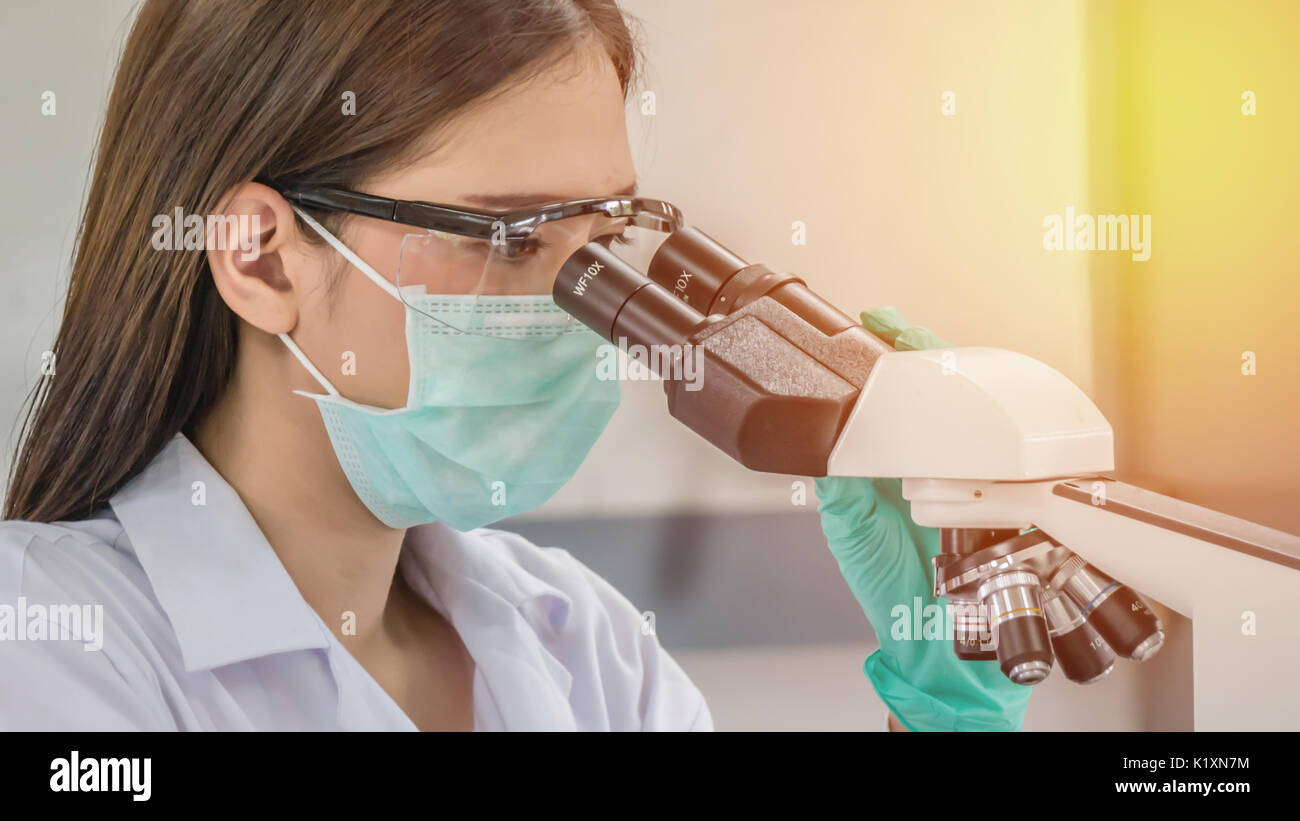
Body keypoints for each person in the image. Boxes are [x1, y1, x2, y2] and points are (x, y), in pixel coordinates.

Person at [0, 0, 1028, 731]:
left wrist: (935, 711)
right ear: (262, 257)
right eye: (506, 233)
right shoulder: (46, 646)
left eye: (601, 235)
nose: (571, 306)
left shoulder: (582, 642)